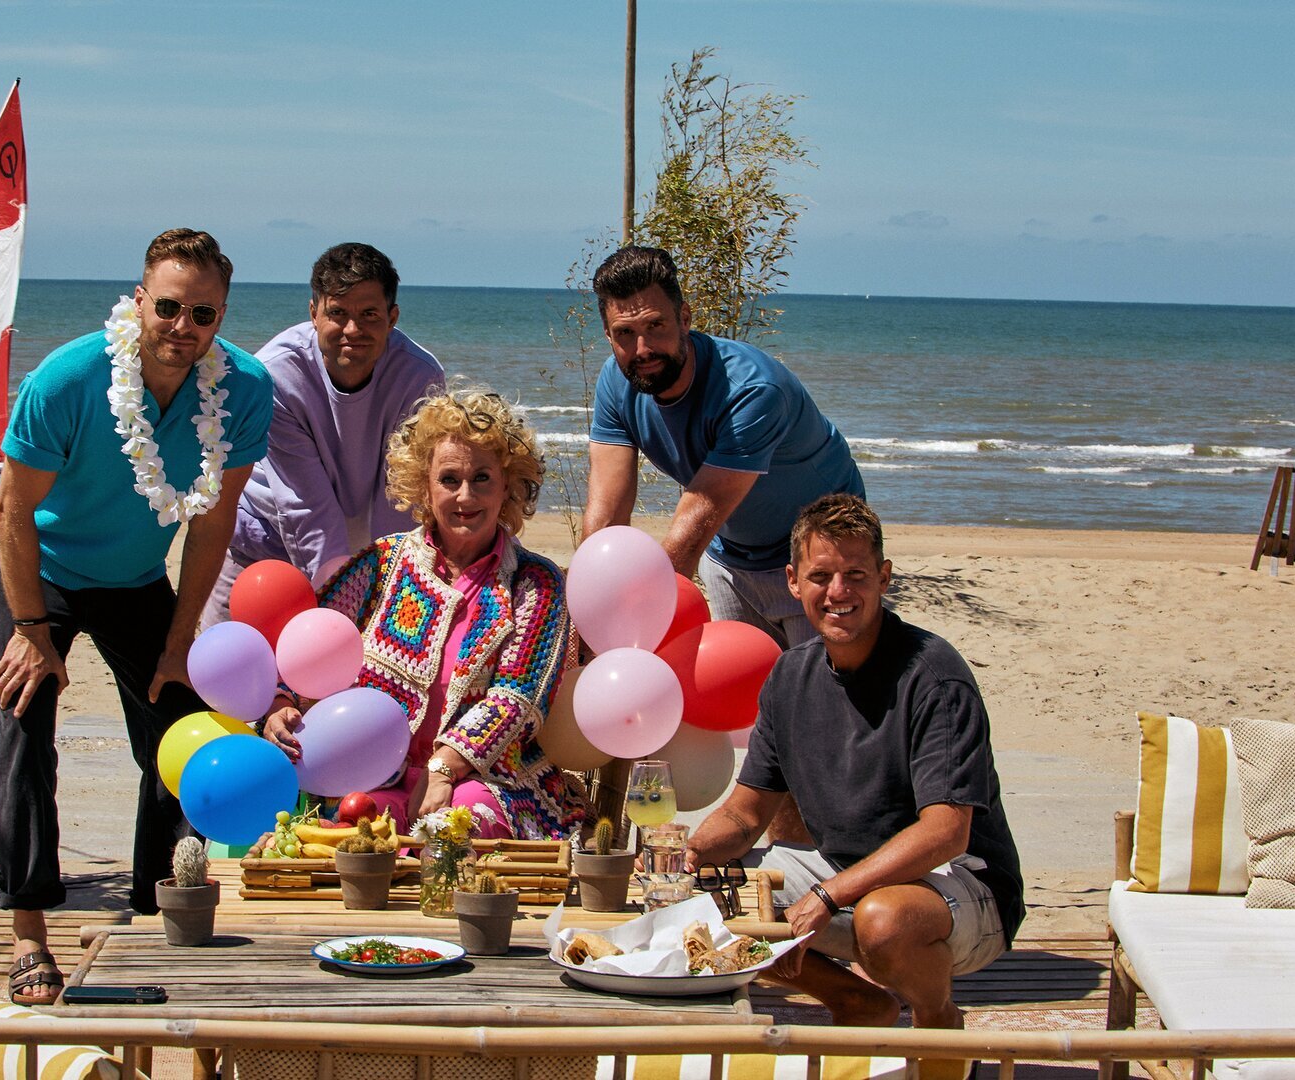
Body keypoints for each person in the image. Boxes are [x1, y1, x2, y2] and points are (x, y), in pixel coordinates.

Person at [0, 228, 273, 1004]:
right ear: (139, 301)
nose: (183, 326)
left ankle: (157, 909)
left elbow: (212, 522)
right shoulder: (68, 378)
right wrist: (31, 632)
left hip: (135, 576)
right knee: (22, 721)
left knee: (182, 728)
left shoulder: (244, 389)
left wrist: (180, 642)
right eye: (168, 307)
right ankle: (28, 929)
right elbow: (13, 509)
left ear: (220, 318)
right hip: (34, 566)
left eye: (202, 314)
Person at [684, 494, 1024, 1029]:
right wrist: (691, 853)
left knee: (883, 922)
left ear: (884, 577)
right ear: (793, 582)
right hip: (843, 873)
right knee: (696, 900)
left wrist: (827, 896)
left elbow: (946, 833)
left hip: (961, 885)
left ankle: (938, 1020)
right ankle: (856, 999)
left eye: (856, 575)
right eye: (821, 577)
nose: (838, 592)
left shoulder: (934, 675)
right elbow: (745, 815)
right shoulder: (789, 677)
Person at [261, 390, 589, 839]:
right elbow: (311, 642)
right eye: (449, 479)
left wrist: (446, 767)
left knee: (455, 829)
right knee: (361, 836)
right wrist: (281, 701)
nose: (465, 495)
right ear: (424, 486)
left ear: (508, 485)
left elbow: (517, 698)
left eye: (482, 478)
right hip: (374, 774)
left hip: (492, 779)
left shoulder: (536, 581)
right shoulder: (380, 563)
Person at [582, 245, 865, 651]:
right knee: (747, 688)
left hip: (820, 558)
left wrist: (632, 629)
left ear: (684, 318)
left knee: (822, 685)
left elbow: (696, 519)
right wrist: (590, 608)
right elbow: (607, 515)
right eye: (625, 333)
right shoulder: (616, 382)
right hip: (731, 554)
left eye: (656, 326)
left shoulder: (752, 389)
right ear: (608, 335)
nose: (642, 349)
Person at [201, 243, 444, 627]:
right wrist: (341, 597)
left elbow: (400, 497)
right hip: (262, 540)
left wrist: (385, 593)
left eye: (369, 314)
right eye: (338, 313)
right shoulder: (276, 374)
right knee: (227, 655)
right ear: (314, 313)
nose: (353, 330)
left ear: (392, 317)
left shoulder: (419, 377)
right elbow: (305, 504)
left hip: (362, 550)